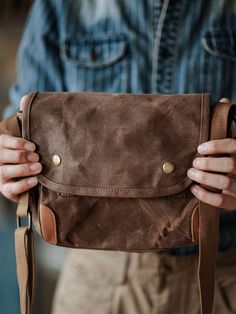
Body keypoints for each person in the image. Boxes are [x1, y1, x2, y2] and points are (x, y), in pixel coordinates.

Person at [1, 0, 236, 313]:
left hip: (223, 277)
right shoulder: (60, 6)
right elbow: (20, 119)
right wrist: (9, 163)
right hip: (96, 284)